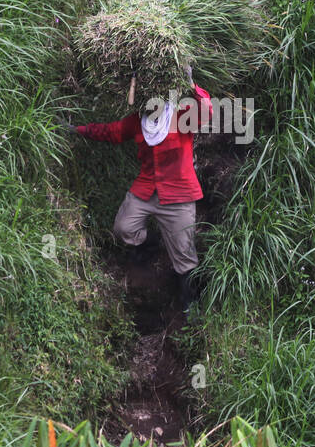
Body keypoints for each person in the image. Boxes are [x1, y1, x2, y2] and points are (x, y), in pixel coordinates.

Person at [65, 66, 211, 314]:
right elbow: (111, 132)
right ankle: (153, 246)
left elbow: (206, 112)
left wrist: (190, 84)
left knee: (185, 259)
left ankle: (190, 308)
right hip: (146, 189)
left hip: (179, 194)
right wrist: (78, 130)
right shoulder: (139, 121)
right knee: (124, 227)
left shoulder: (180, 114)